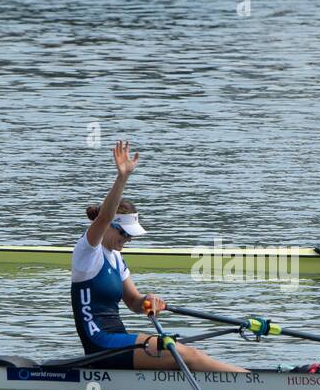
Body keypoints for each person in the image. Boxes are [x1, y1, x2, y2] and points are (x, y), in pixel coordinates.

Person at [72, 140, 245, 372]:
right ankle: (252, 380)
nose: (129, 239)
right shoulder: (87, 253)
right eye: (125, 233)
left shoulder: (115, 258)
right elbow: (103, 217)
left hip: (117, 342)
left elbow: (134, 302)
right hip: (100, 345)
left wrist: (148, 299)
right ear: (110, 226)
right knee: (187, 354)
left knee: (183, 354)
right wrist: (122, 177)